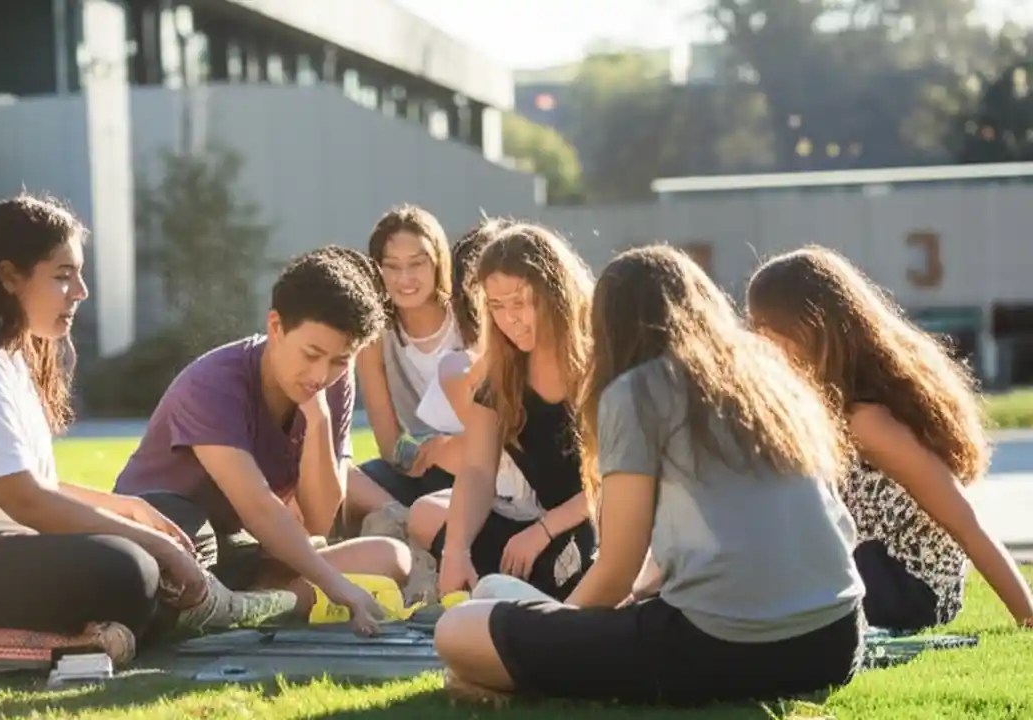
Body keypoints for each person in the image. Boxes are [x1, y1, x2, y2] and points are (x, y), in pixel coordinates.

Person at [0, 195, 292, 664]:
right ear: (9, 277)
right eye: (63, 276)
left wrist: (129, 510)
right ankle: (188, 604)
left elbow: (30, 483)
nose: (81, 291)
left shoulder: (7, 358)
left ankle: (175, 603)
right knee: (129, 570)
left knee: (170, 515)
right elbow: (26, 500)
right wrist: (150, 544)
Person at [436, 245, 866, 705]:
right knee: (493, 592)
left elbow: (616, 571)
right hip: (837, 641)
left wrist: (562, 638)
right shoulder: (768, 378)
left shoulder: (634, 392)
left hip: (725, 644)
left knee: (458, 629)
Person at [113, 246, 411, 636]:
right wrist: (336, 586)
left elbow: (320, 519)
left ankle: (242, 607)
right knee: (307, 564)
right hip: (165, 542)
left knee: (390, 556)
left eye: (340, 360)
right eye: (312, 354)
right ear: (276, 327)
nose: (321, 373)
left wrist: (318, 418)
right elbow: (258, 508)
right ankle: (237, 605)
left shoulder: (331, 387)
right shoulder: (213, 383)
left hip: (236, 552)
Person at [747, 246, 1033, 631]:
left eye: (769, 333)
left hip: (906, 585)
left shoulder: (867, 420)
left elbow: (965, 522)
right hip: (868, 569)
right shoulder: (825, 409)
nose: (760, 348)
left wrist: (1028, 617)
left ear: (812, 331)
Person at [422, 223, 597, 602]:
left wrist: (545, 530)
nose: (509, 319)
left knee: (562, 575)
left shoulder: (599, 362)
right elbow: (478, 470)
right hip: (538, 527)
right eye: (497, 306)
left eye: (520, 302)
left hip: (597, 522)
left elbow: (616, 479)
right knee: (447, 533)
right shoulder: (502, 372)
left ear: (555, 294)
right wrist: (456, 551)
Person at [345, 206, 467, 526]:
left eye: (417, 263)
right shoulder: (376, 337)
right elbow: (388, 440)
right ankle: (407, 525)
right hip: (426, 464)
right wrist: (415, 460)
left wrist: (452, 450)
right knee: (346, 480)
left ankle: (421, 525)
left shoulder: (469, 318)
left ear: (438, 261)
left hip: (484, 458)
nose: (405, 279)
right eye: (392, 266)